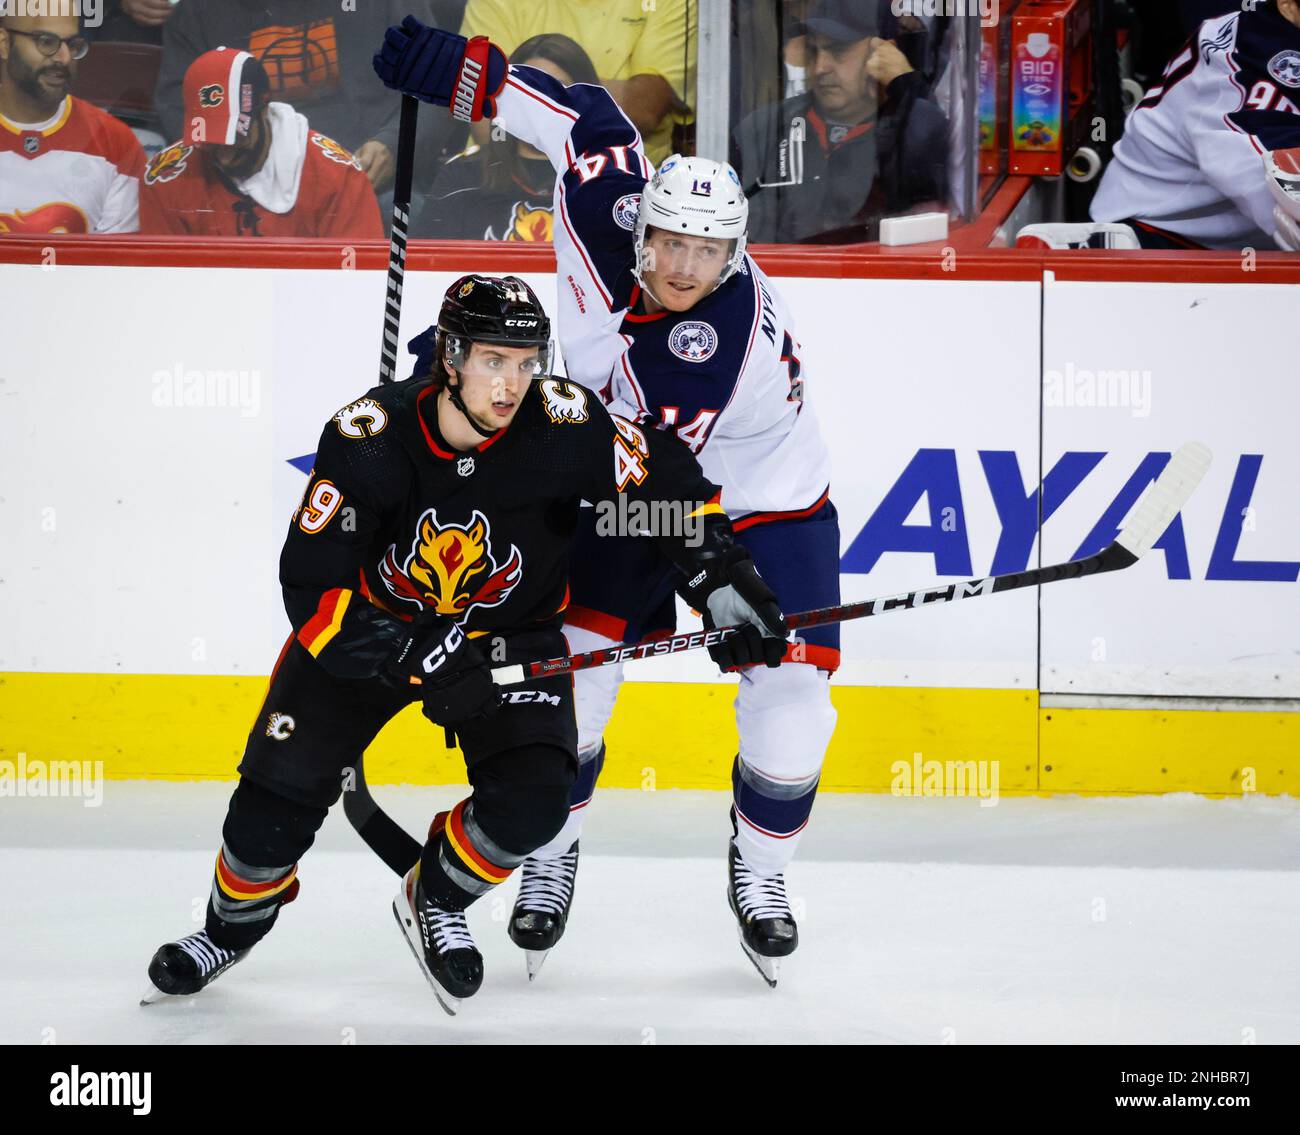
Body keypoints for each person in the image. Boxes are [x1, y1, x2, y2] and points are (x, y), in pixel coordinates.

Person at [143, 275, 788, 1014]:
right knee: (265, 818)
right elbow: (311, 588)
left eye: (525, 361)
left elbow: (658, 482)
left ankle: (437, 894)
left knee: (535, 802)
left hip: (507, 640)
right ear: (449, 357)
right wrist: (413, 651)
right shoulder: (370, 439)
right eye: (492, 360)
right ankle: (231, 927)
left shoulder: (563, 425)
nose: (511, 383)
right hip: (371, 636)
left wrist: (720, 573)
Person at [375, 18, 841, 987]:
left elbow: (659, 485)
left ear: (733, 256)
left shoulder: (716, 343)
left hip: (762, 491)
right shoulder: (603, 193)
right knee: (577, 669)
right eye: (667, 243)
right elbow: (570, 111)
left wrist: (723, 582)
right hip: (626, 467)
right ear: (642, 225)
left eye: (705, 256)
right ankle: (548, 846)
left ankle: (762, 875)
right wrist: (459, 73)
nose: (680, 269)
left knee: (793, 693)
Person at [153, 0, 452, 193]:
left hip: (366, 184)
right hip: (236, 181)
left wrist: (392, 145)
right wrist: (233, 161)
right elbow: (179, 109)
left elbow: (437, 90)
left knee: (408, 217)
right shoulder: (199, 12)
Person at [1091, 0, 1300, 251]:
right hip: (1160, 237)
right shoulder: (1244, 71)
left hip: (1247, 242)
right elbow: (1287, 191)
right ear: (1286, 5)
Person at [734, 0, 949, 244]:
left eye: (838, 50)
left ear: (883, 53)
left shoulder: (916, 134)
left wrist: (905, 86)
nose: (820, 67)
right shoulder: (763, 129)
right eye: (813, 51)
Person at [138, 47, 382, 239]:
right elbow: (160, 287)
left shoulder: (339, 177)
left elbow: (357, 287)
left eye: (236, 139)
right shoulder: (164, 179)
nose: (224, 156)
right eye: (211, 142)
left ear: (264, 108)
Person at [457, 0, 693, 163]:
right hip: (499, 177)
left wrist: (520, 89)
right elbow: (483, 112)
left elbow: (643, 110)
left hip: (623, 183)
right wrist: (583, 91)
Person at [414, 34, 599, 240]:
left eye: (559, 89)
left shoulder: (617, 182)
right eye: (530, 89)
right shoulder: (461, 177)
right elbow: (428, 268)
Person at [0, 10, 145, 235]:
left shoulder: (116, 142)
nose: (64, 58)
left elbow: (117, 264)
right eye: (46, 42)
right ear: (4, 43)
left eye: (73, 44)